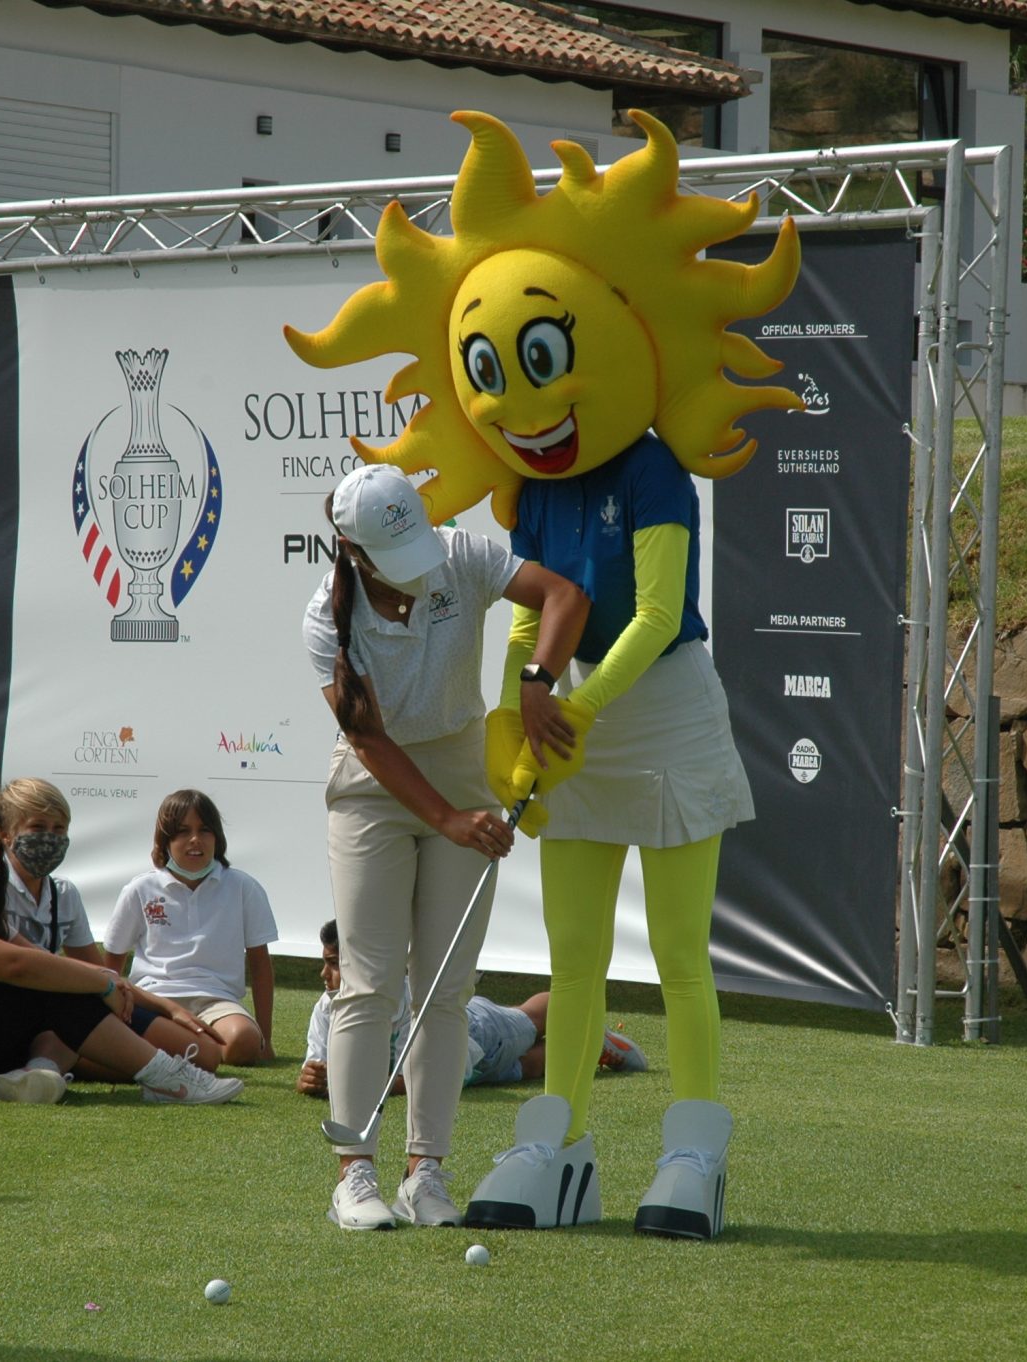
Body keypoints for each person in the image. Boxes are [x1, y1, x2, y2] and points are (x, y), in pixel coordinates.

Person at [287, 113, 795, 1239]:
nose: (522, 406)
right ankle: (556, 1140)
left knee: (677, 956)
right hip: (574, 727)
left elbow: (653, 614)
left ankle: (691, 1148)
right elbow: (530, 614)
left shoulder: (654, 472)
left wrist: (562, 699)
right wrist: (536, 701)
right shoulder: (531, 484)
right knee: (572, 954)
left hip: (662, 714)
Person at [300, 462, 588, 1231]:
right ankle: (354, 1174)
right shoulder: (326, 619)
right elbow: (368, 739)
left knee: (445, 988)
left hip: (462, 772)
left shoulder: (460, 554)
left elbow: (565, 595)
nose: (415, 569)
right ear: (353, 551)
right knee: (369, 984)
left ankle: (424, 1172)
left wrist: (537, 680)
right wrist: (448, 817)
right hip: (373, 789)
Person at [0, 788, 241, 1105]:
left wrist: (153, 1002)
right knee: (42, 984)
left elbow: (42, 960)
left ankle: (43, 1070)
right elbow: (18, 966)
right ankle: (166, 1078)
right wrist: (103, 983)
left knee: (56, 979)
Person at [0, 778, 217, 1074]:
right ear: (6, 834)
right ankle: (57, 1065)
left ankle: (56, 1065)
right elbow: (29, 965)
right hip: (15, 1006)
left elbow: (101, 974)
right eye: (37, 827)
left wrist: (169, 1008)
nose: (50, 837)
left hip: (65, 1007)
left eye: (59, 829)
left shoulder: (64, 894)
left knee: (204, 1055)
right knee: (109, 1039)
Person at [297, 919, 646, 1098]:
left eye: (334, 963)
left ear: (366, 964)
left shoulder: (406, 998)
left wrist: (352, 1087)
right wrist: (311, 1080)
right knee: (531, 1067)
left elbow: (414, 1080)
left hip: (477, 1031)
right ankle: (587, 1047)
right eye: (325, 962)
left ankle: (589, 1027)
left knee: (530, 1018)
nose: (324, 975)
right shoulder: (327, 1007)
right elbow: (316, 1067)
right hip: (466, 1072)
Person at [103, 789, 277, 1070]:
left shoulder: (243, 887)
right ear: (165, 841)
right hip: (154, 999)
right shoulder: (140, 889)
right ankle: (194, 1045)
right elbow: (112, 963)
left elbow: (260, 964)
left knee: (244, 1042)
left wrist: (265, 1039)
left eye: (204, 830)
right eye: (183, 831)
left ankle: (182, 1045)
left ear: (217, 838)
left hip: (217, 1002)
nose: (195, 839)